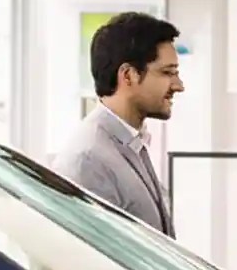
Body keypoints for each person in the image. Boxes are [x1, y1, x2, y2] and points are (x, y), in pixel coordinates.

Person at [52, 12, 183, 238]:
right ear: (128, 75)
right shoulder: (88, 160)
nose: (178, 85)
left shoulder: (130, 143)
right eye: (167, 73)